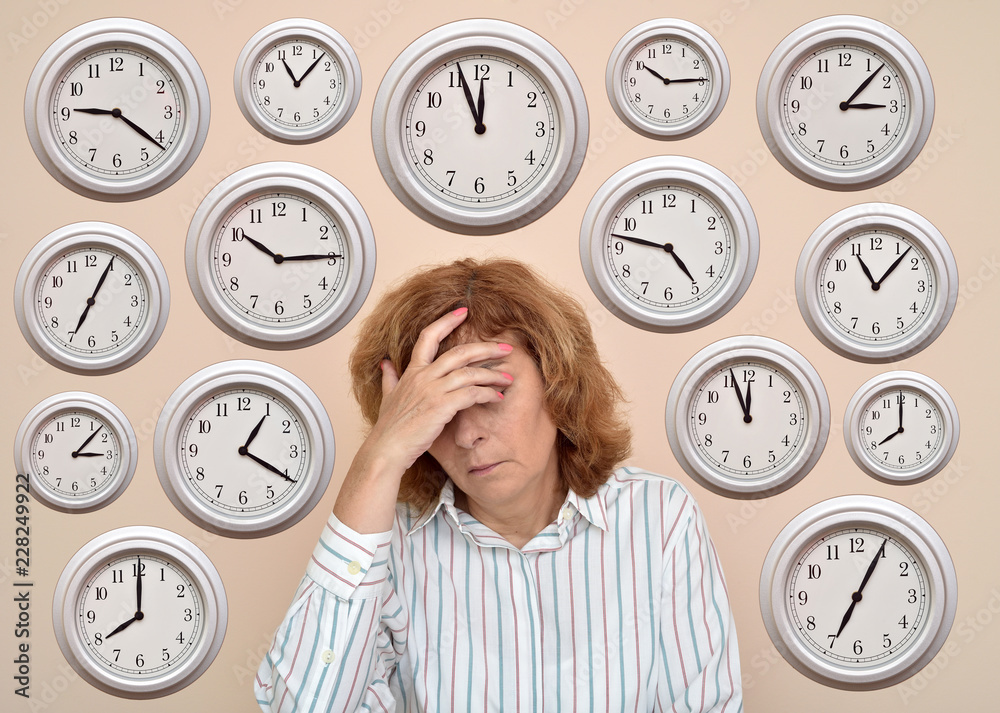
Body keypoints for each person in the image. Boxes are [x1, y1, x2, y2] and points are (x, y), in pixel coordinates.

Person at [254, 257, 742, 712]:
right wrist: (378, 461)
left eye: (489, 391)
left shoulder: (660, 518)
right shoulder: (388, 546)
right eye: (437, 409)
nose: (467, 434)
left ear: (558, 382)